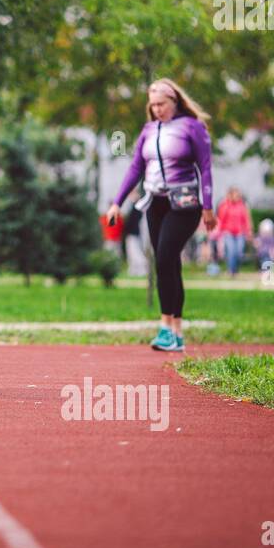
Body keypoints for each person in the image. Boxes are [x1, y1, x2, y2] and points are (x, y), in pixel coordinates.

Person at [105, 78, 216, 353]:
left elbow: (206, 167)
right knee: (166, 263)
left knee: (166, 256)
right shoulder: (149, 130)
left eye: (161, 104)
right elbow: (135, 168)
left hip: (185, 203)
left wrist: (208, 206)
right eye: (153, 105)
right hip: (155, 203)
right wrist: (116, 203)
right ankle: (176, 331)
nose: (157, 109)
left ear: (174, 101)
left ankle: (166, 327)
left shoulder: (192, 127)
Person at [216, 187, 253, 277]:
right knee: (231, 251)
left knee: (239, 252)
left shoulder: (242, 205)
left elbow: (247, 219)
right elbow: (221, 218)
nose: (238, 196)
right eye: (236, 194)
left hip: (240, 233)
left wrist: (249, 231)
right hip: (228, 232)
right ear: (231, 195)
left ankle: (235, 270)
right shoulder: (224, 205)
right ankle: (231, 271)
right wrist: (218, 233)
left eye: (238, 195)